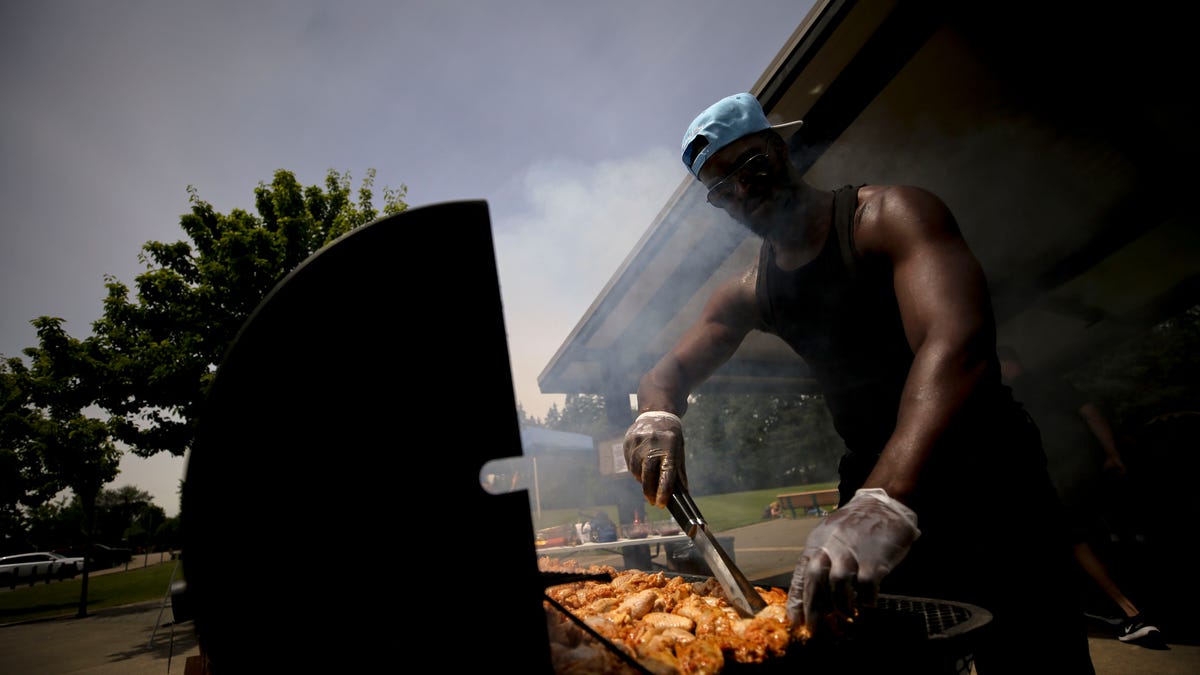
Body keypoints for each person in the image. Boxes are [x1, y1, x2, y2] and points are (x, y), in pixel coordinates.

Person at [621, 93, 1094, 673]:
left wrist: (885, 497)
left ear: (779, 147)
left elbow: (956, 345)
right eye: (723, 189)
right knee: (877, 654)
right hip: (872, 470)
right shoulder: (750, 290)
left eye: (750, 166)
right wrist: (656, 415)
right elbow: (665, 373)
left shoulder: (891, 216)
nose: (744, 191)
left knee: (1036, 652)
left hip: (985, 471)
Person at [998, 346, 1161, 643]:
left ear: (1003, 364)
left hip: (1055, 475)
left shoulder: (1009, 393)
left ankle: (1132, 613)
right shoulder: (1052, 382)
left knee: (1075, 541)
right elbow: (1091, 413)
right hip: (1087, 470)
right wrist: (1112, 453)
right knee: (1094, 537)